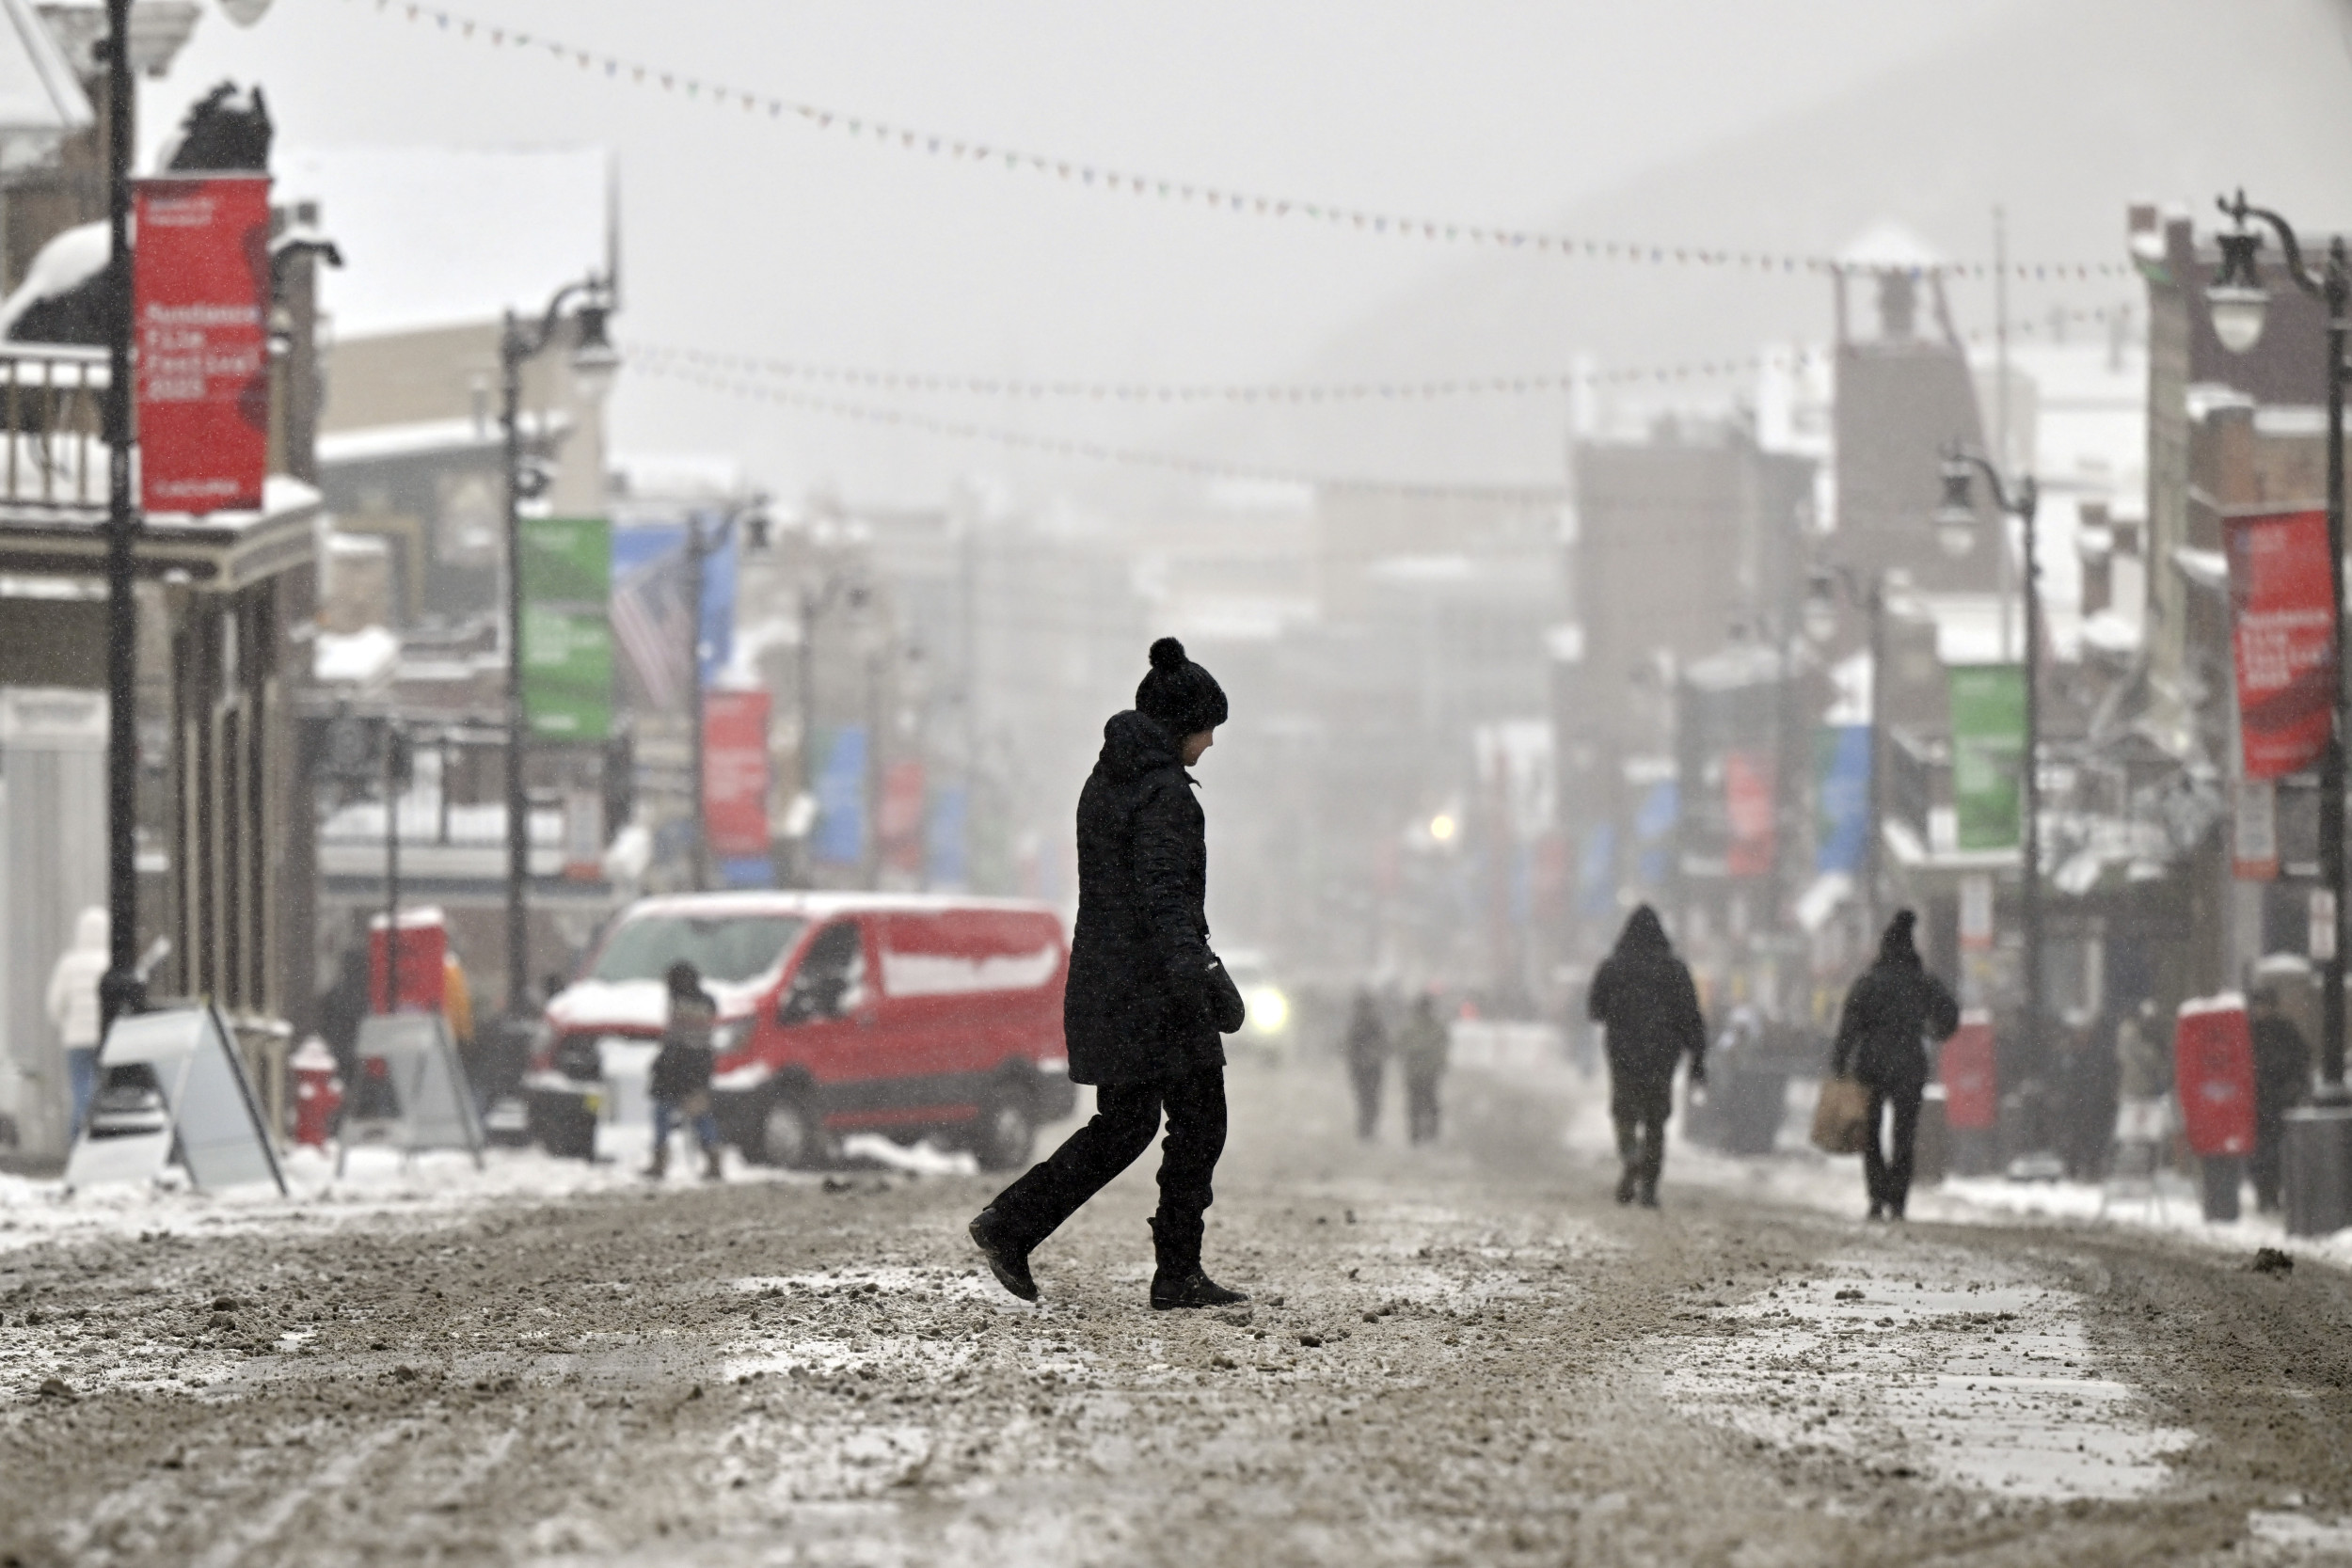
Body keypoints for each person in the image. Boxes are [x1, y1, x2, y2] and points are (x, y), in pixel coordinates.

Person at [969, 637, 1248, 1309]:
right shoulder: (1166, 797)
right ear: (1184, 723)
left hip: (1110, 984)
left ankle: (1011, 1224)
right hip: (1157, 995)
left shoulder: (1107, 782)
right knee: (1200, 1120)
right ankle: (1175, 1271)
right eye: (1208, 728)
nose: (1211, 743)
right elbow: (1162, 899)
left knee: (1125, 1125)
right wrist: (1202, 980)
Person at [1830, 910, 1960, 1220]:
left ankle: (1877, 1196)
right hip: (1909, 1065)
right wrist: (1933, 1031)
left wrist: (1839, 1063)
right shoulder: (1921, 982)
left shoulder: (1868, 983)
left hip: (1871, 1064)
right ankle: (1898, 1200)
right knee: (1904, 1134)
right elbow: (1950, 1015)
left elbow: (1849, 1027)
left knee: (1871, 1134)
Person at [1586, 905, 1707, 1208]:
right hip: (1663, 1055)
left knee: (1624, 1113)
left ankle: (1630, 1154)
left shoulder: (1613, 966)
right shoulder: (1675, 969)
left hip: (1623, 1053)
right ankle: (1650, 1187)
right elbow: (1691, 1017)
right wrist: (1698, 1060)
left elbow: (1594, 1010)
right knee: (1656, 1121)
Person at [646, 959, 723, 1181]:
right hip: (698, 1066)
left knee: (662, 1112)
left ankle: (659, 1160)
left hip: (677, 1066)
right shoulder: (707, 1003)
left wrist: (662, 1063)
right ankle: (713, 1159)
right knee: (700, 1114)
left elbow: (676, 1038)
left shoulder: (680, 1003)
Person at [43, 907, 108, 1135]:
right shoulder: (108, 962)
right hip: (104, 1038)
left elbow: (54, 1003)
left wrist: (65, 1024)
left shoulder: (69, 964)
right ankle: (100, 1133)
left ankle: (79, 1135)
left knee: (81, 1087)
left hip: (76, 1040)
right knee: (104, 1089)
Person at [2249, 986, 2312, 1214]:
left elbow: (2301, 1059)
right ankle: (2264, 1193)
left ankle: (2272, 1192)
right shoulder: (2253, 1032)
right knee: (2262, 1151)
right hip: (2260, 1102)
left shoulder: (2283, 1030)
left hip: (2278, 1101)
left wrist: (2293, 1087)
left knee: (2274, 1150)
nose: (2261, 1010)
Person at [1398, 993, 1450, 1145]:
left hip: (1419, 1072)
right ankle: (1425, 1134)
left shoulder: (1410, 1027)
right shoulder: (1434, 1027)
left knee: (1421, 1104)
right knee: (1426, 1104)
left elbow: (1401, 1047)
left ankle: (1420, 1135)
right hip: (1423, 1072)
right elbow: (1442, 1048)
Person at [1343, 990, 1388, 1140]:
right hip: (1364, 1069)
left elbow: (1384, 1045)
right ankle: (1366, 1130)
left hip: (1369, 1068)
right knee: (1367, 1100)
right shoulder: (1360, 1025)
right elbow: (1349, 1048)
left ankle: (1367, 1130)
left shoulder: (1367, 1024)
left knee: (1368, 1100)